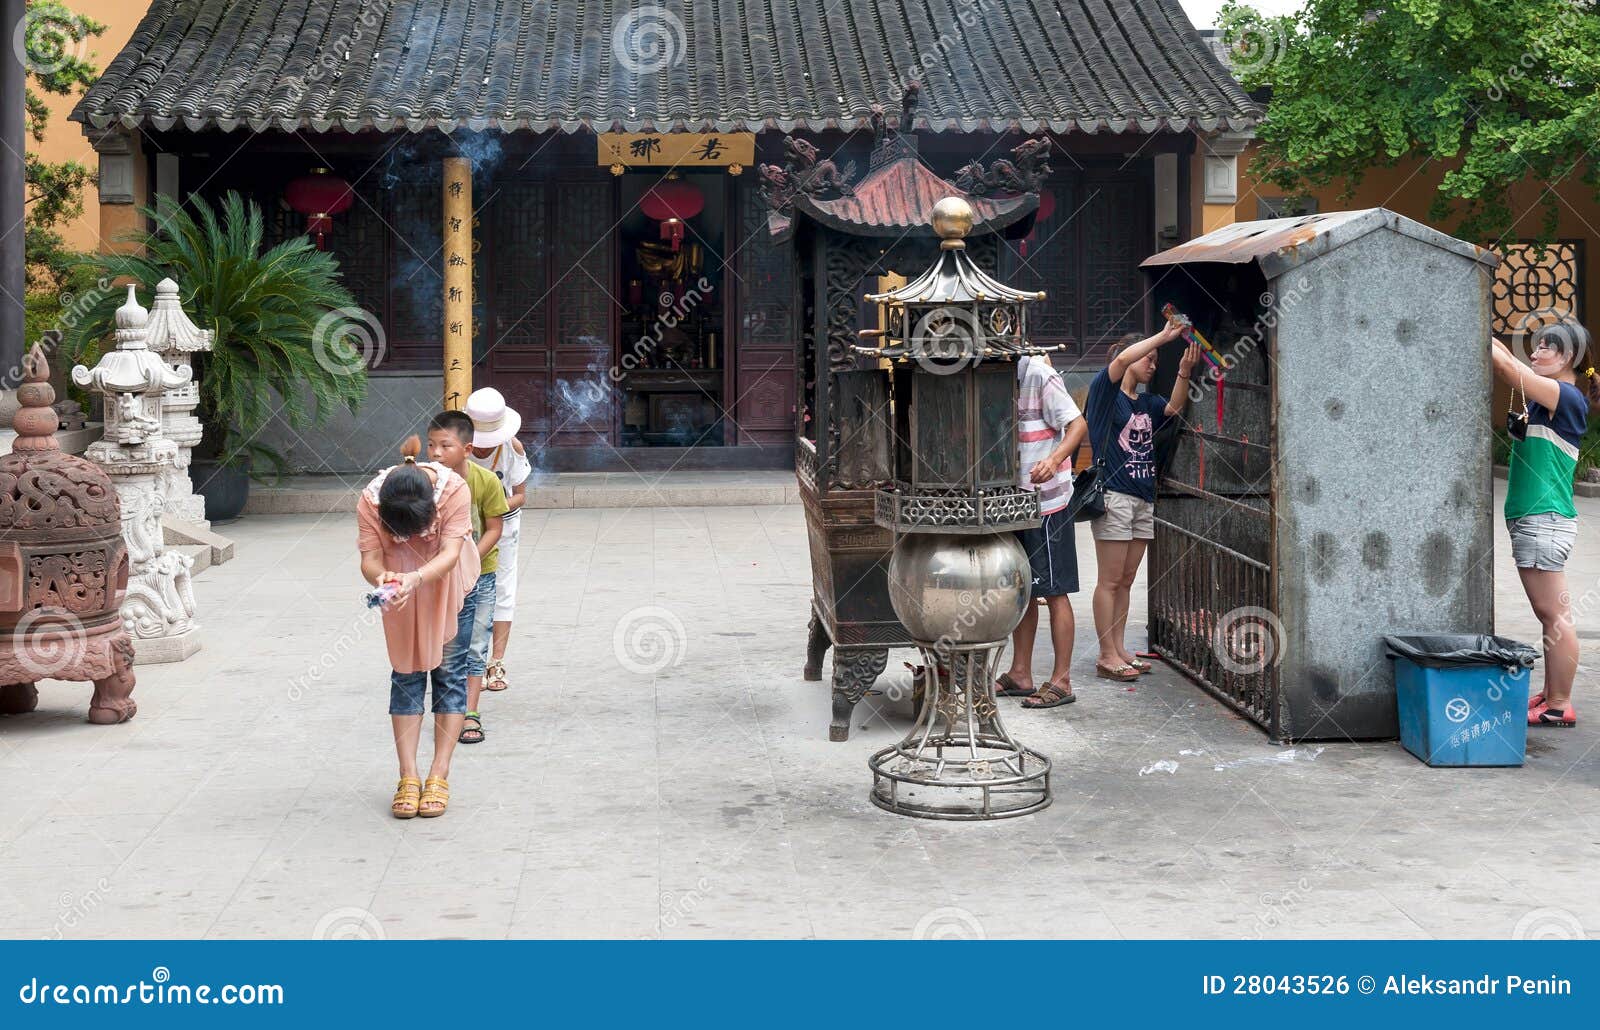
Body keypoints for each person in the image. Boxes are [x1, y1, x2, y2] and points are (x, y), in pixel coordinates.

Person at [358, 436, 481, 818]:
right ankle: (408, 776)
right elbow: (370, 561)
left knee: (449, 675)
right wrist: (386, 581)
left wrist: (414, 579)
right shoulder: (369, 501)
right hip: (401, 589)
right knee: (405, 674)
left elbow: (450, 554)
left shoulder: (454, 490)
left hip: (449, 585)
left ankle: (439, 774)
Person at [1491, 320, 1598, 727]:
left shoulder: (1565, 397)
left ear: (1567, 357)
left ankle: (1559, 705)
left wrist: (1476, 327)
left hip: (1544, 520)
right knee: (1550, 616)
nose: (1533, 355)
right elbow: (1508, 364)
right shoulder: (1547, 399)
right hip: (1537, 519)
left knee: (1555, 617)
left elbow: (1507, 369)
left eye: (1543, 349)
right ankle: (1552, 694)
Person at [1085, 322, 1199, 681]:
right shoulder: (1106, 393)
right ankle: (1106, 654)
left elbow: (1176, 407)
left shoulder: (1146, 402)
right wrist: (1162, 338)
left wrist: (1183, 372)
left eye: (1155, 360)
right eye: (1148, 359)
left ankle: (1118, 647)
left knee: (1127, 578)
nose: (1152, 365)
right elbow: (1120, 359)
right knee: (1109, 579)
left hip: (1142, 496)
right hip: (1115, 496)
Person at [997, 353, 1088, 709]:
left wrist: (1053, 460)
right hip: (1012, 503)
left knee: (1054, 590)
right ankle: (1021, 672)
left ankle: (1061, 680)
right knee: (1024, 590)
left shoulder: (1038, 373)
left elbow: (1078, 425)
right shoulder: (990, 372)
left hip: (1047, 503)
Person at [427, 410, 508, 745]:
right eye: (431, 445)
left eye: (445, 446)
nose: (434, 453)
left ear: (468, 449)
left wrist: (468, 556)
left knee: (475, 644)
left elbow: (495, 528)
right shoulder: (424, 481)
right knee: (444, 646)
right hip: (438, 576)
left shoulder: (485, 481)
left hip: (480, 574)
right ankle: (447, 709)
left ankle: (469, 713)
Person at [466, 388, 531, 693]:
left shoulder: (511, 448)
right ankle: (463, 662)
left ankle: (496, 661)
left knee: (502, 591)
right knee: (463, 591)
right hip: (464, 529)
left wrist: (496, 506)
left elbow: (521, 495)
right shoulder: (456, 448)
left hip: (503, 529)